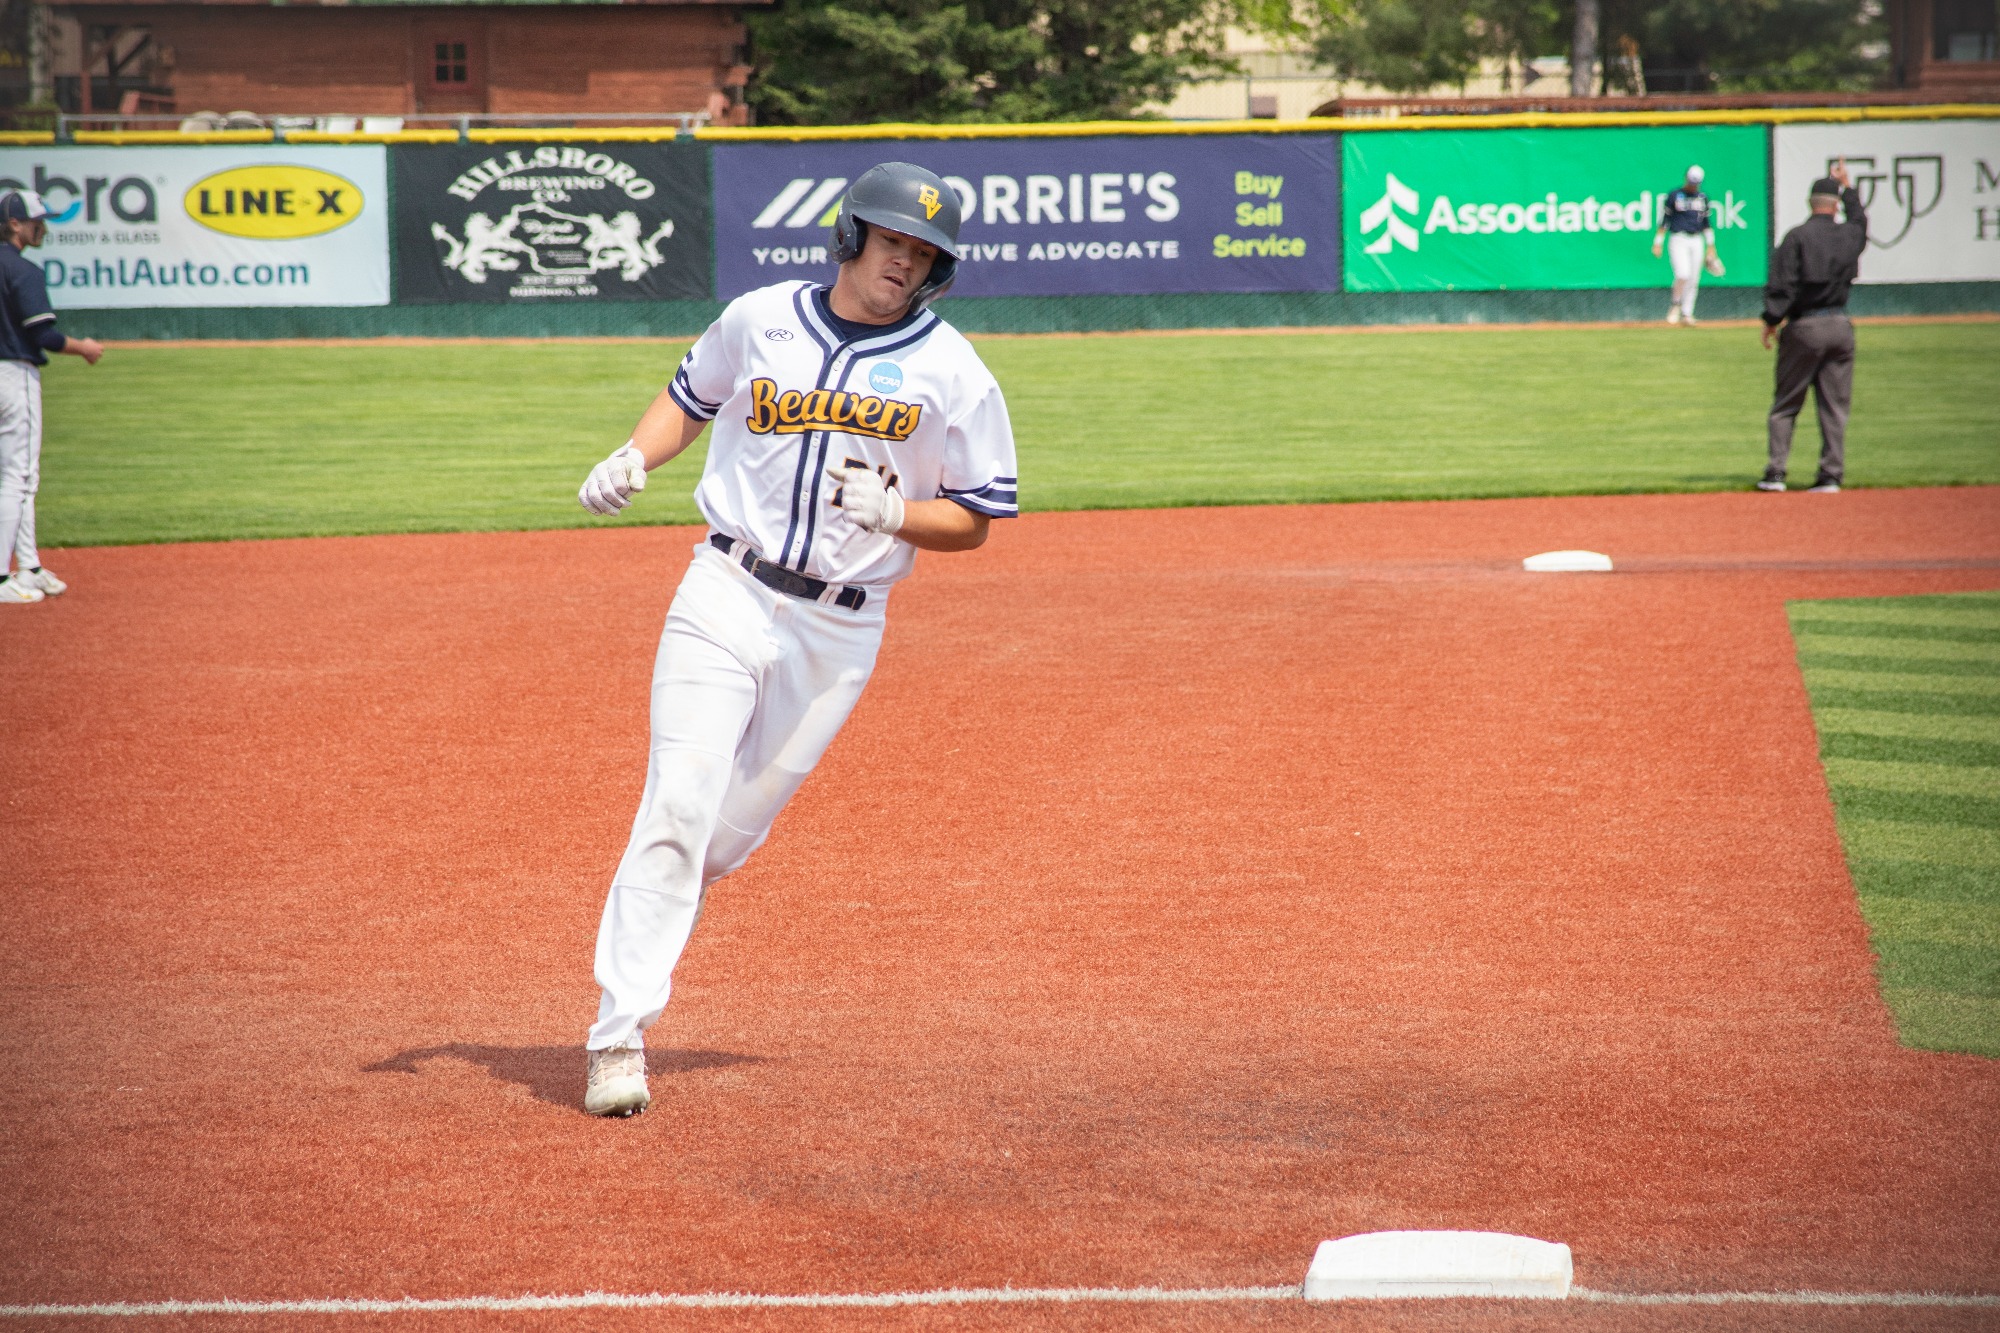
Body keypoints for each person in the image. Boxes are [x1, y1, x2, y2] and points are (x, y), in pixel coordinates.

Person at [571, 162, 1018, 1117]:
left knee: (718, 843)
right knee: (679, 804)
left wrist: (898, 513)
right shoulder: (761, 318)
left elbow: (976, 517)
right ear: (851, 236)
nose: (905, 262)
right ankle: (618, 1036)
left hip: (838, 629)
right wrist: (633, 455)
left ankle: (660, 915)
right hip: (725, 589)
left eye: (924, 253)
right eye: (892, 241)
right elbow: (689, 398)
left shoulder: (953, 370)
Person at [0, 189, 103, 605]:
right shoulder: (23, 271)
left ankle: (29, 566)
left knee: (15, 477)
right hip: (13, 375)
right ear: (15, 225)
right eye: (37, 221)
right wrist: (84, 348)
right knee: (19, 477)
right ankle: (2, 578)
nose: (43, 228)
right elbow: (43, 335)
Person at [1757, 160, 1867, 494]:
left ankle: (1776, 473)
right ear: (1835, 206)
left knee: (1786, 404)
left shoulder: (1797, 237)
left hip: (1805, 326)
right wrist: (1848, 189)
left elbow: (1784, 284)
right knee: (1834, 407)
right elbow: (1860, 221)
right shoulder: (1848, 234)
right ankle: (1830, 475)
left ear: (1810, 203)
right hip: (1840, 325)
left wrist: (1771, 320)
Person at [1651, 164, 1722, 326]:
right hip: (1678, 238)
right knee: (1683, 274)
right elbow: (1665, 221)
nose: (1693, 185)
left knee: (1694, 278)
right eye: (1691, 182)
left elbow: (1706, 223)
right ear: (1686, 178)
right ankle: (1676, 303)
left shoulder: (1702, 197)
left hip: (1697, 239)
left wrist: (1711, 246)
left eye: (1696, 183)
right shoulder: (1675, 195)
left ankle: (1687, 313)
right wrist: (1657, 243)